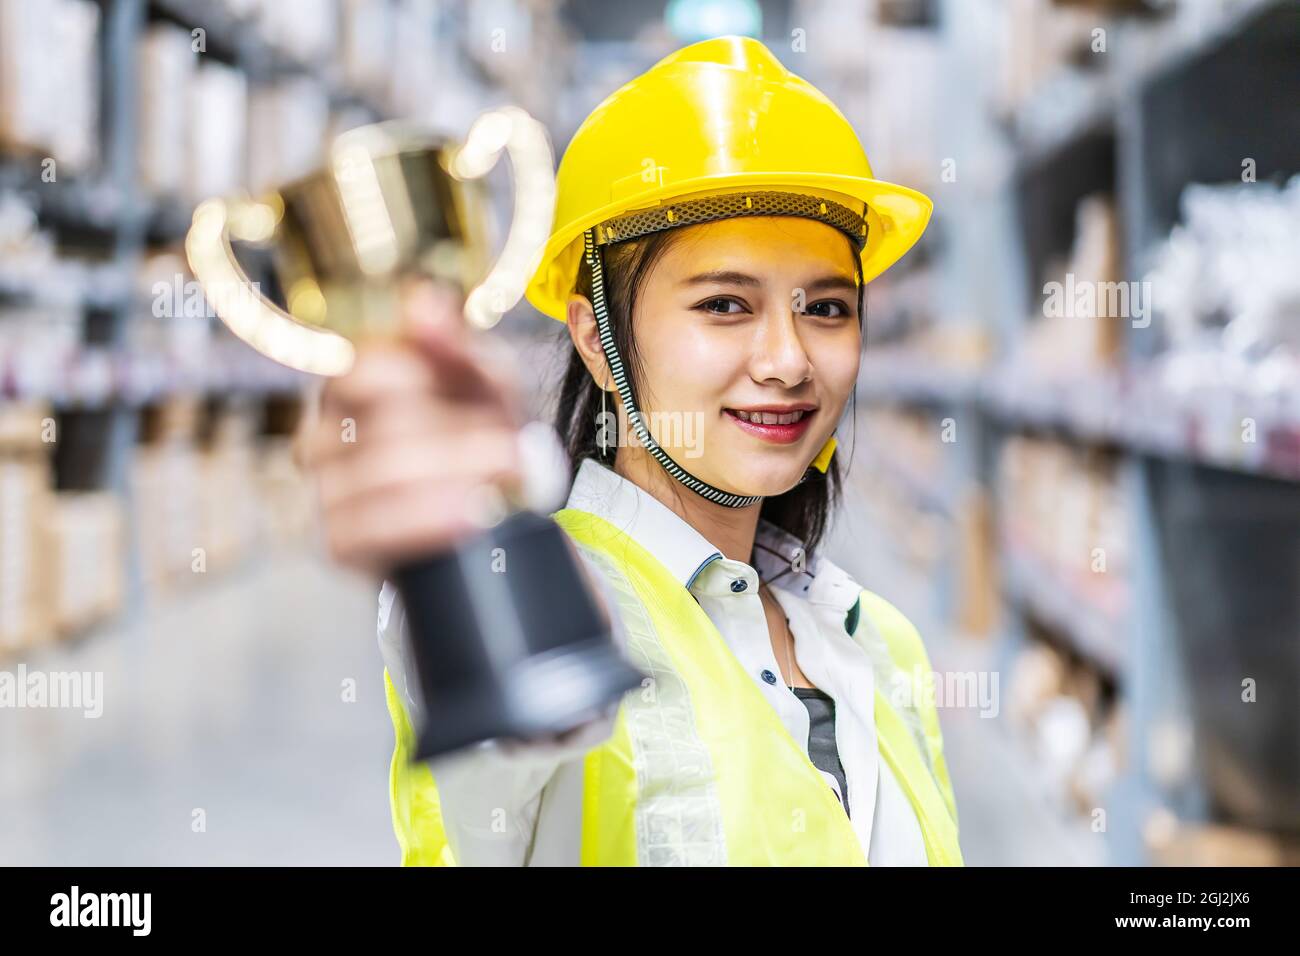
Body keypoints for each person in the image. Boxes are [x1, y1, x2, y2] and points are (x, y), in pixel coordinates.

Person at [302, 35, 961, 866]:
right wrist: (464, 528)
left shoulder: (881, 642)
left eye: (826, 308)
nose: (789, 360)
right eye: (725, 303)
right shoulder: (574, 614)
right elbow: (509, 736)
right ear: (593, 336)